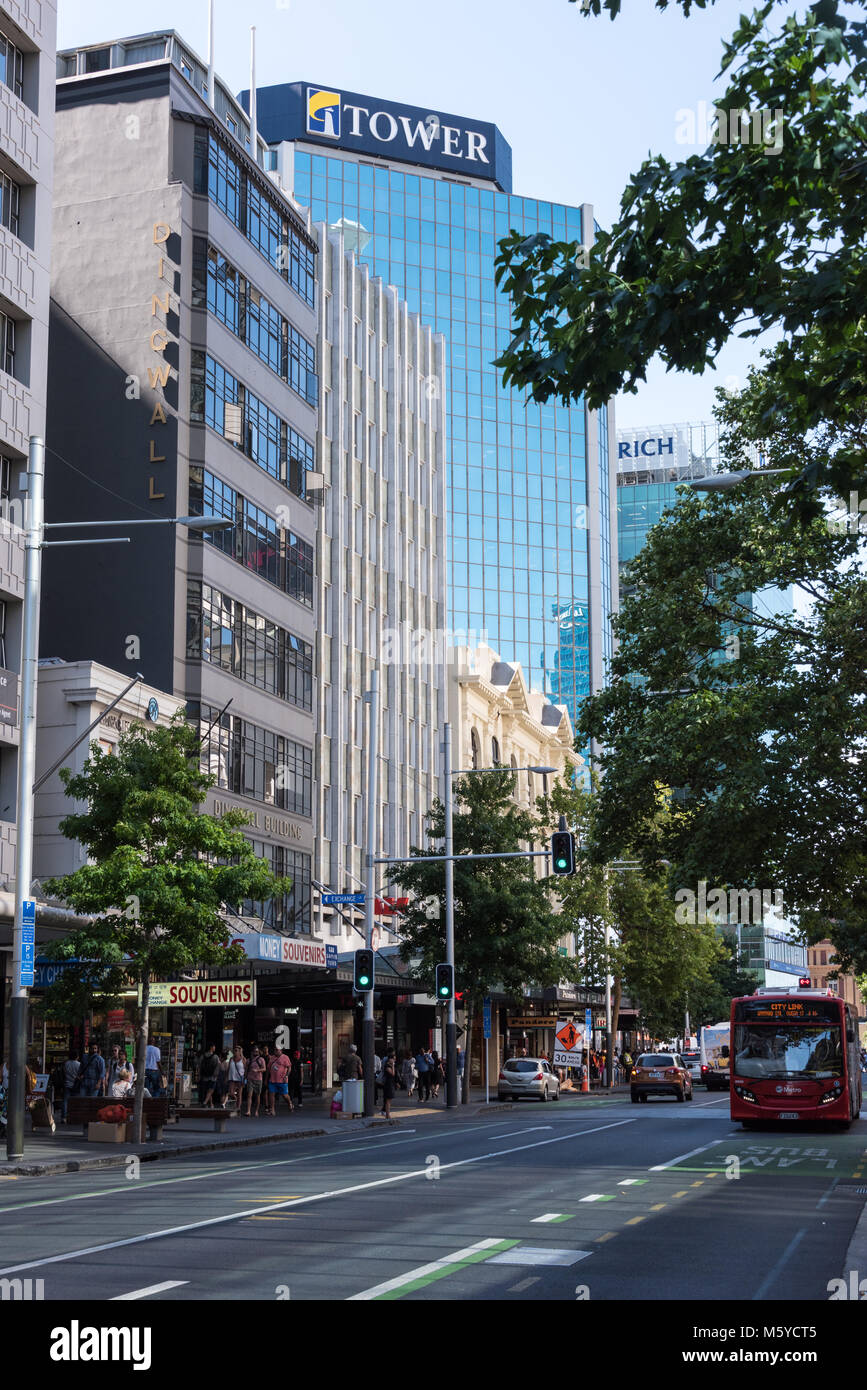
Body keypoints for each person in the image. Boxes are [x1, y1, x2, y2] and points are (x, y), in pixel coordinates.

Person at [267, 1046, 293, 1115]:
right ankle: (272, 1110)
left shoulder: (285, 1057)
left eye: (277, 1050)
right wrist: (266, 1079)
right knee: (271, 1094)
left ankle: (289, 1102)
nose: (275, 1051)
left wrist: (286, 1075)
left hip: (282, 1080)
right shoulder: (272, 1058)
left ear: (281, 1050)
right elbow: (268, 1068)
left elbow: (289, 1067)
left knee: (284, 1095)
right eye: (274, 1049)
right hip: (272, 1080)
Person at [61, 1050, 80, 1122]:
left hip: (67, 1084)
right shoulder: (79, 1064)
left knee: (65, 1101)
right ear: (77, 1057)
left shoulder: (66, 1063)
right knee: (75, 1101)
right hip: (76, 1085)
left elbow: (64, 1073)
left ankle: (64, 1117)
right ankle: (74, 1116)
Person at [245, 1046, 265, 1116]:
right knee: (249, 1095)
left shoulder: (261, 1059)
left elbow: (264, 1069)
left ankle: (256, 1111)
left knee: (257, 1096)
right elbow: (246, 1070)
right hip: (250, 1079)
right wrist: (245, 1079)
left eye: (257, 1051)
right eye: (254, 1051)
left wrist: (257, 1070)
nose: (255, 1053)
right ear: (252, 1052)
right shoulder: (248, 1060)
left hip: (258, 1079)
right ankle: (248, 1111)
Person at [381, 1049, 397, 1119]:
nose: (394, 1060)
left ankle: (387, 1113)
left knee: (389, 1100)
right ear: (390, 1059)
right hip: (388, 1084)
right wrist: (393, 1065)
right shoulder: (387, 1066)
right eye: (393, 1059)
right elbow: (393, 1074)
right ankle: (387, 1114)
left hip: (391, 1083)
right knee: (388, 1100)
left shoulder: (389, 1065)